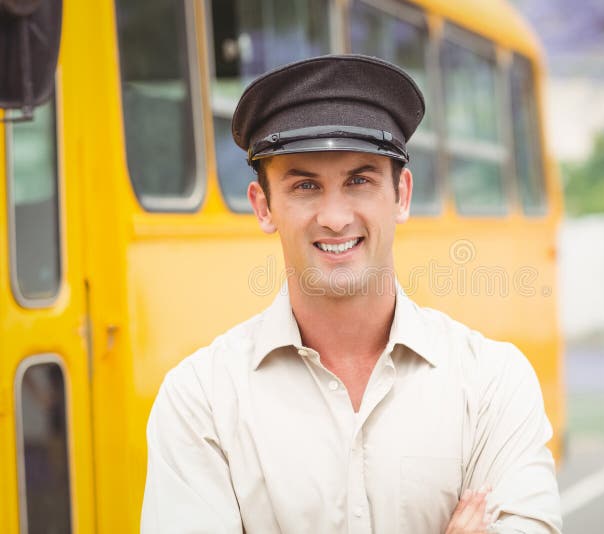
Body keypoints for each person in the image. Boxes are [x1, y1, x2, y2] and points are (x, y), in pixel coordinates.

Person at [141, 54, 561, 534]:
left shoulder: (492, 384)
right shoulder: (201, 402)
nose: (335, 217)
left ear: (401, 195)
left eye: (359, 181)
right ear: (263, 207)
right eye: (304, 186)